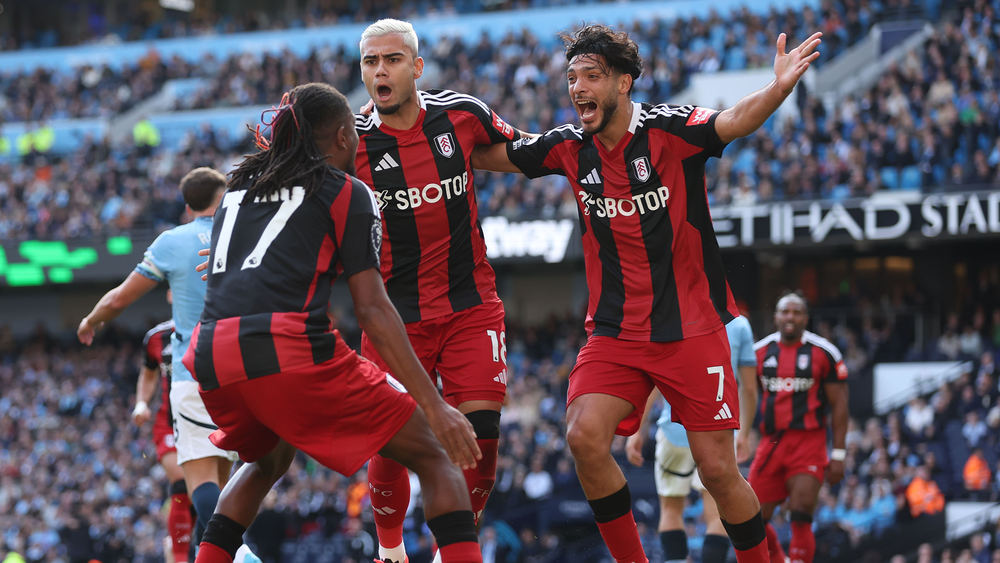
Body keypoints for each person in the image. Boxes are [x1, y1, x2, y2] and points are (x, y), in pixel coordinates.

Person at [472, 23, 822, 563]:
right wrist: (428, 135)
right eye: (572, 77)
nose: (578, 87)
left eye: (592, 76)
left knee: (717, 471)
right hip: (616, 333)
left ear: (624, 82)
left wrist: (778, 87)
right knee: (583, 436)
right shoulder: (569, 147)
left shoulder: (670, 130)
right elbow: (494, 155)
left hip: (692, 329)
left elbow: (733, 121)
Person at [181, 82, 483, 563]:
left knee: (265, 462)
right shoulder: (345, 189)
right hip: (284, 347)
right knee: (437, 454)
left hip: (211, 354)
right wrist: (436, 405)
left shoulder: (239, 188)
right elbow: (373, 309)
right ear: (343, 137)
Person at [353, 19, 528, 563]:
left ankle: (450, 549)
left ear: (417, 67)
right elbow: (291, 185)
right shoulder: (349, 140)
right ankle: (389, 550)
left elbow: (523, 150)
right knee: (390, 444)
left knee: (481, 444)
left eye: (392, 59)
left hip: (470, 306)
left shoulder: (461, 115)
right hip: (393, 318)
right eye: (370, 62)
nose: (380, 70)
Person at [76, 167, 242, 559]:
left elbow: (119, 298)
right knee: (224, 481)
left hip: (196, 370)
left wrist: (91, 320)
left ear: (187, 206)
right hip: (243, 372)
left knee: (200, 482)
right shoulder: (244, 232)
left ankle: (241, 553)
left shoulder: (173, 241)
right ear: (223, 196)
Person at [626, 315, 759, 563]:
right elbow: (749, 389)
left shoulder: (674, 315)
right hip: (718, 430)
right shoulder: (739, 324)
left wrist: (637, 430)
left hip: (674, 428)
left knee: (670, 508)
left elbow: (655, 381)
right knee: (716, 512)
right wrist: (744, 434)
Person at [750, 292, 849, 563]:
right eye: (785, 311)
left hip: (809, 442)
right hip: (771, 443)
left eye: (796, 312)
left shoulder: (825, 353)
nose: (790, 317)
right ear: (776, 317)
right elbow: (746, 396)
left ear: (806, 318)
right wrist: (742, 435)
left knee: (801, 511)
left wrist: (839, 454)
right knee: (749, 518)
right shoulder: (758, 352)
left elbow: (840, 406)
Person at [134, 312, 192, 563]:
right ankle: (179, 557)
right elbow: (149, 374)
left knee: (205, 494)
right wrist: (141, 403)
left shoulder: (216, 328)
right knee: (181, 485)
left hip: (208, 424)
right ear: (171, 295)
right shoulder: (157, 337)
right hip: (169, 425)